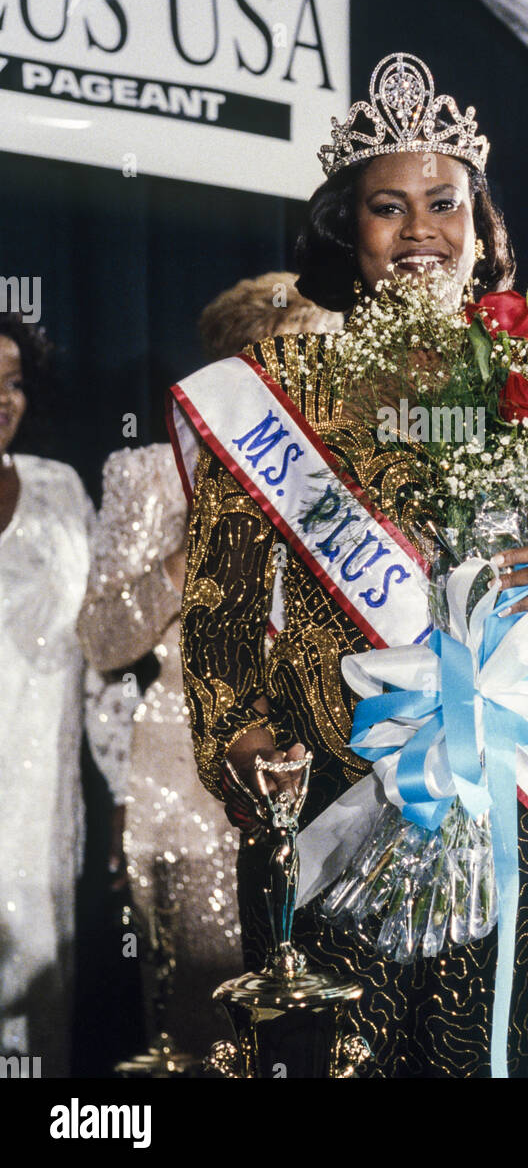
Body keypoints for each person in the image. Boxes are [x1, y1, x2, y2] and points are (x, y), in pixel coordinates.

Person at [176, 54, 528, 1078]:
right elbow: (219, 609)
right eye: (386, 209)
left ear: (483, 225)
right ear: (345, 235)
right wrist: (238, 739)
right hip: (356, 801)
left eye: (443, 203)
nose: (418, 233)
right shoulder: (278, 388)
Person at [77, 274, 342, 1066]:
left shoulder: (357, 481)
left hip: (338, 777)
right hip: (193, 785)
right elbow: (101, 638)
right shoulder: (157, 471)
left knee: (333, 1033)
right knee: (207, 1032)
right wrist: (193, 544)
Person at [0, 314, 95, 1077]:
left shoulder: (58, 486)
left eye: (13, 382)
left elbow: (103, 646)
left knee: (36, 1009)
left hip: (39, 809)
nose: (4, 399)